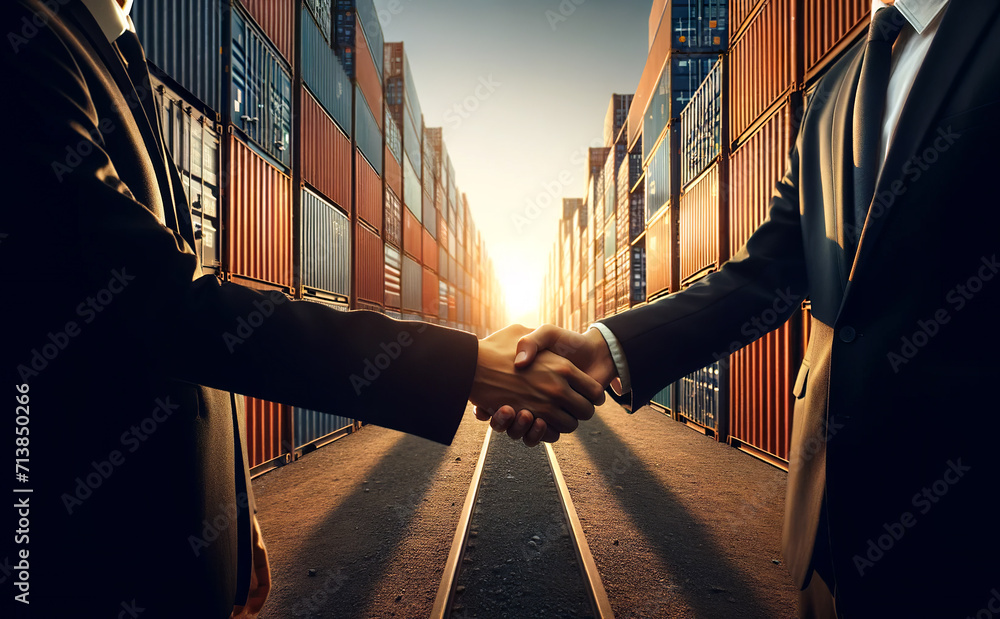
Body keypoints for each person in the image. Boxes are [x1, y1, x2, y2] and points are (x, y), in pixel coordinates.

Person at [0, 1, 606, 616]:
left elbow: (174, 326)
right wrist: (467, 364)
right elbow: (155, 305)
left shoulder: (109, 47)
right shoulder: (22, 33)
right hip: (81, 577)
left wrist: (234, 518)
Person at [503, 1, 1000, 616]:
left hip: (972, 529)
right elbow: (767, 276)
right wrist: (606, 348)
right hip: (829, 533)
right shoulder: (832, 91)